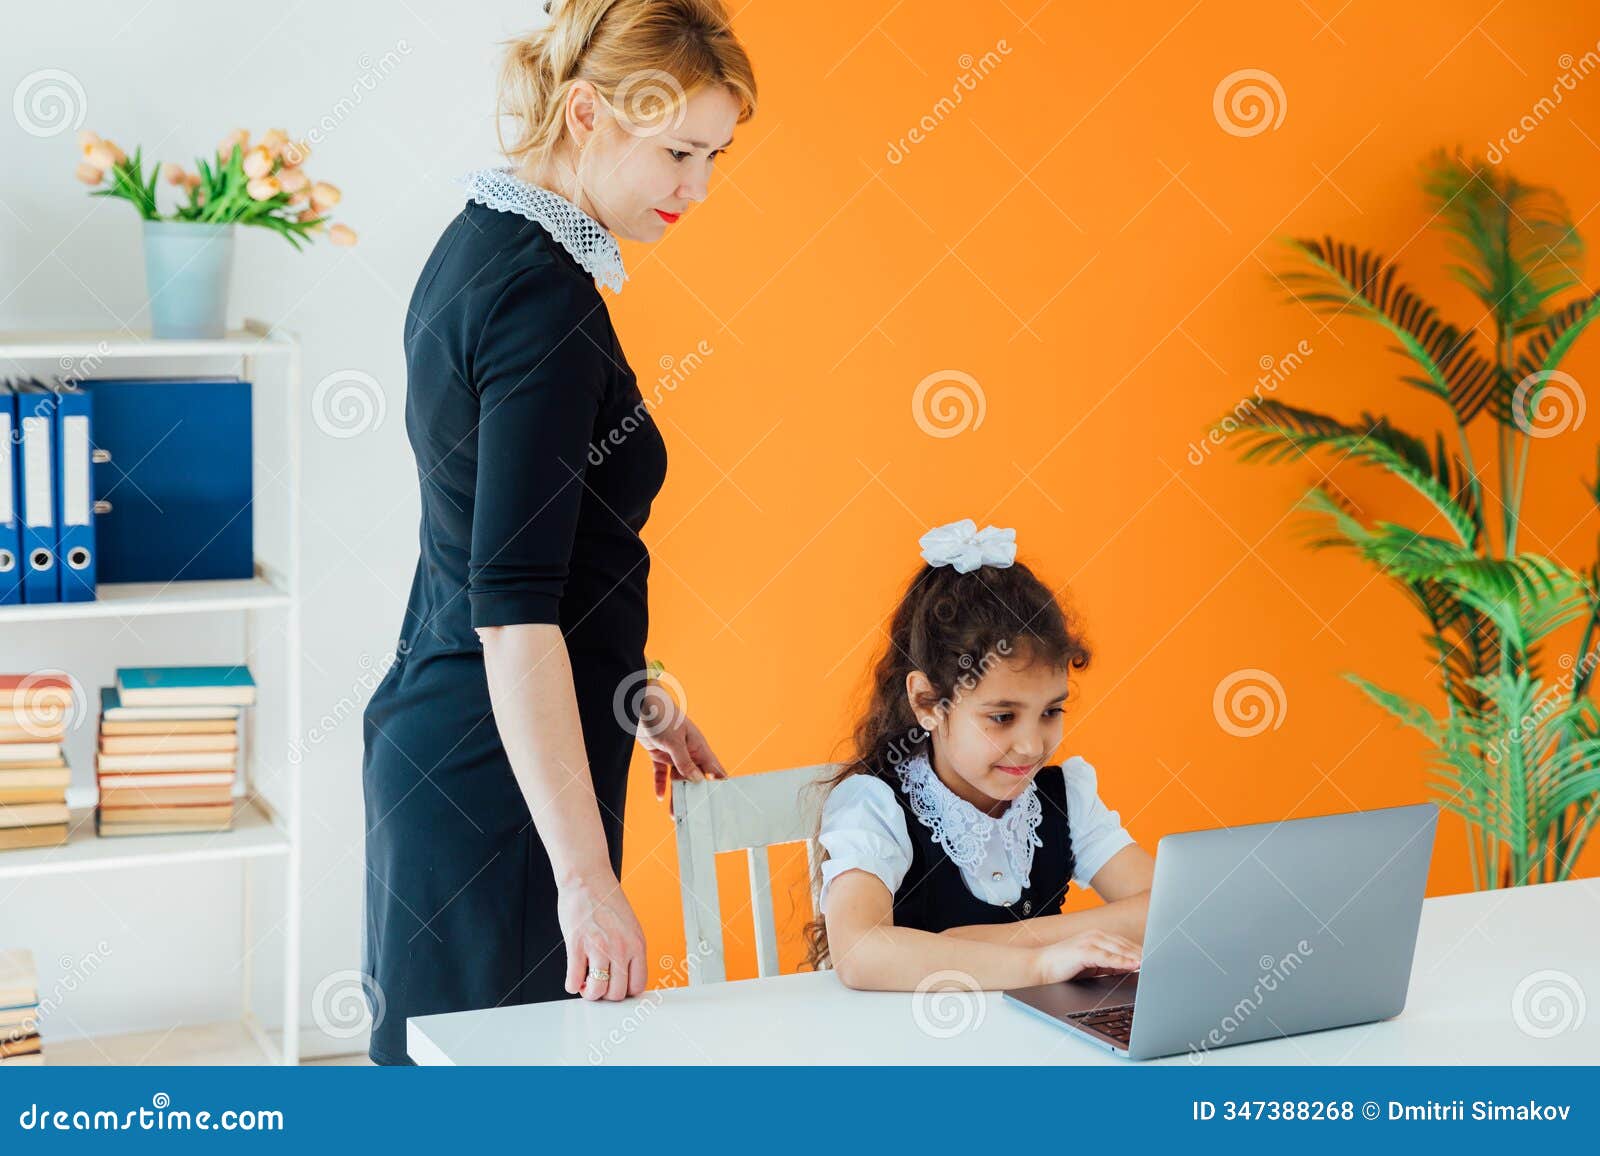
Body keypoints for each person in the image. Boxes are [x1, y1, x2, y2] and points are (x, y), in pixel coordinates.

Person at [360, 0, 757, 1065]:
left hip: (470, 743)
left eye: (714, 157)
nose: (698, 189)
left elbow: (521, 546)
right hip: (499, 783)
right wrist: (585, 881)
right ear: (586, 114)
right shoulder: (542, 299)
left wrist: (633, 687)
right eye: (678, 152)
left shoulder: (484, 245)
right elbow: (511, 611)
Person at [805, 518, 1156, 990]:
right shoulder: (876, 806)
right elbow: (860, 952)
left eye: (1051, 711)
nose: (1032, 746)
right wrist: (1040, 963)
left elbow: (1169, 908)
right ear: (927, 703)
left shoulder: (1062, 798)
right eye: (1002, 717)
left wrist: (984, 941)